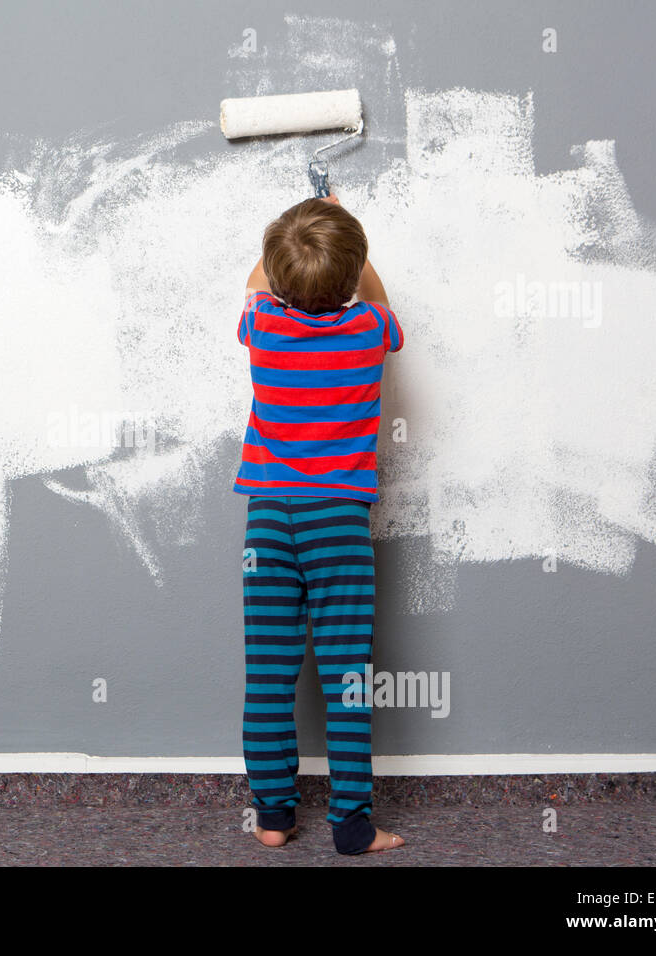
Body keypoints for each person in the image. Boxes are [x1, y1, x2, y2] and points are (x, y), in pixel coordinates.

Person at [235, 193, 406, 854]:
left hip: (270, 521)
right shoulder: (371, 332)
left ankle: (273, 817)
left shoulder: (263, 327)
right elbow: (380, 300)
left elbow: (257, 281)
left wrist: (296, 223)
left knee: (268, 676)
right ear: (355, 270)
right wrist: (341, 228)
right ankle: (354, 827)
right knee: (348, 679)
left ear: (278, 280)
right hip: (338, 521)